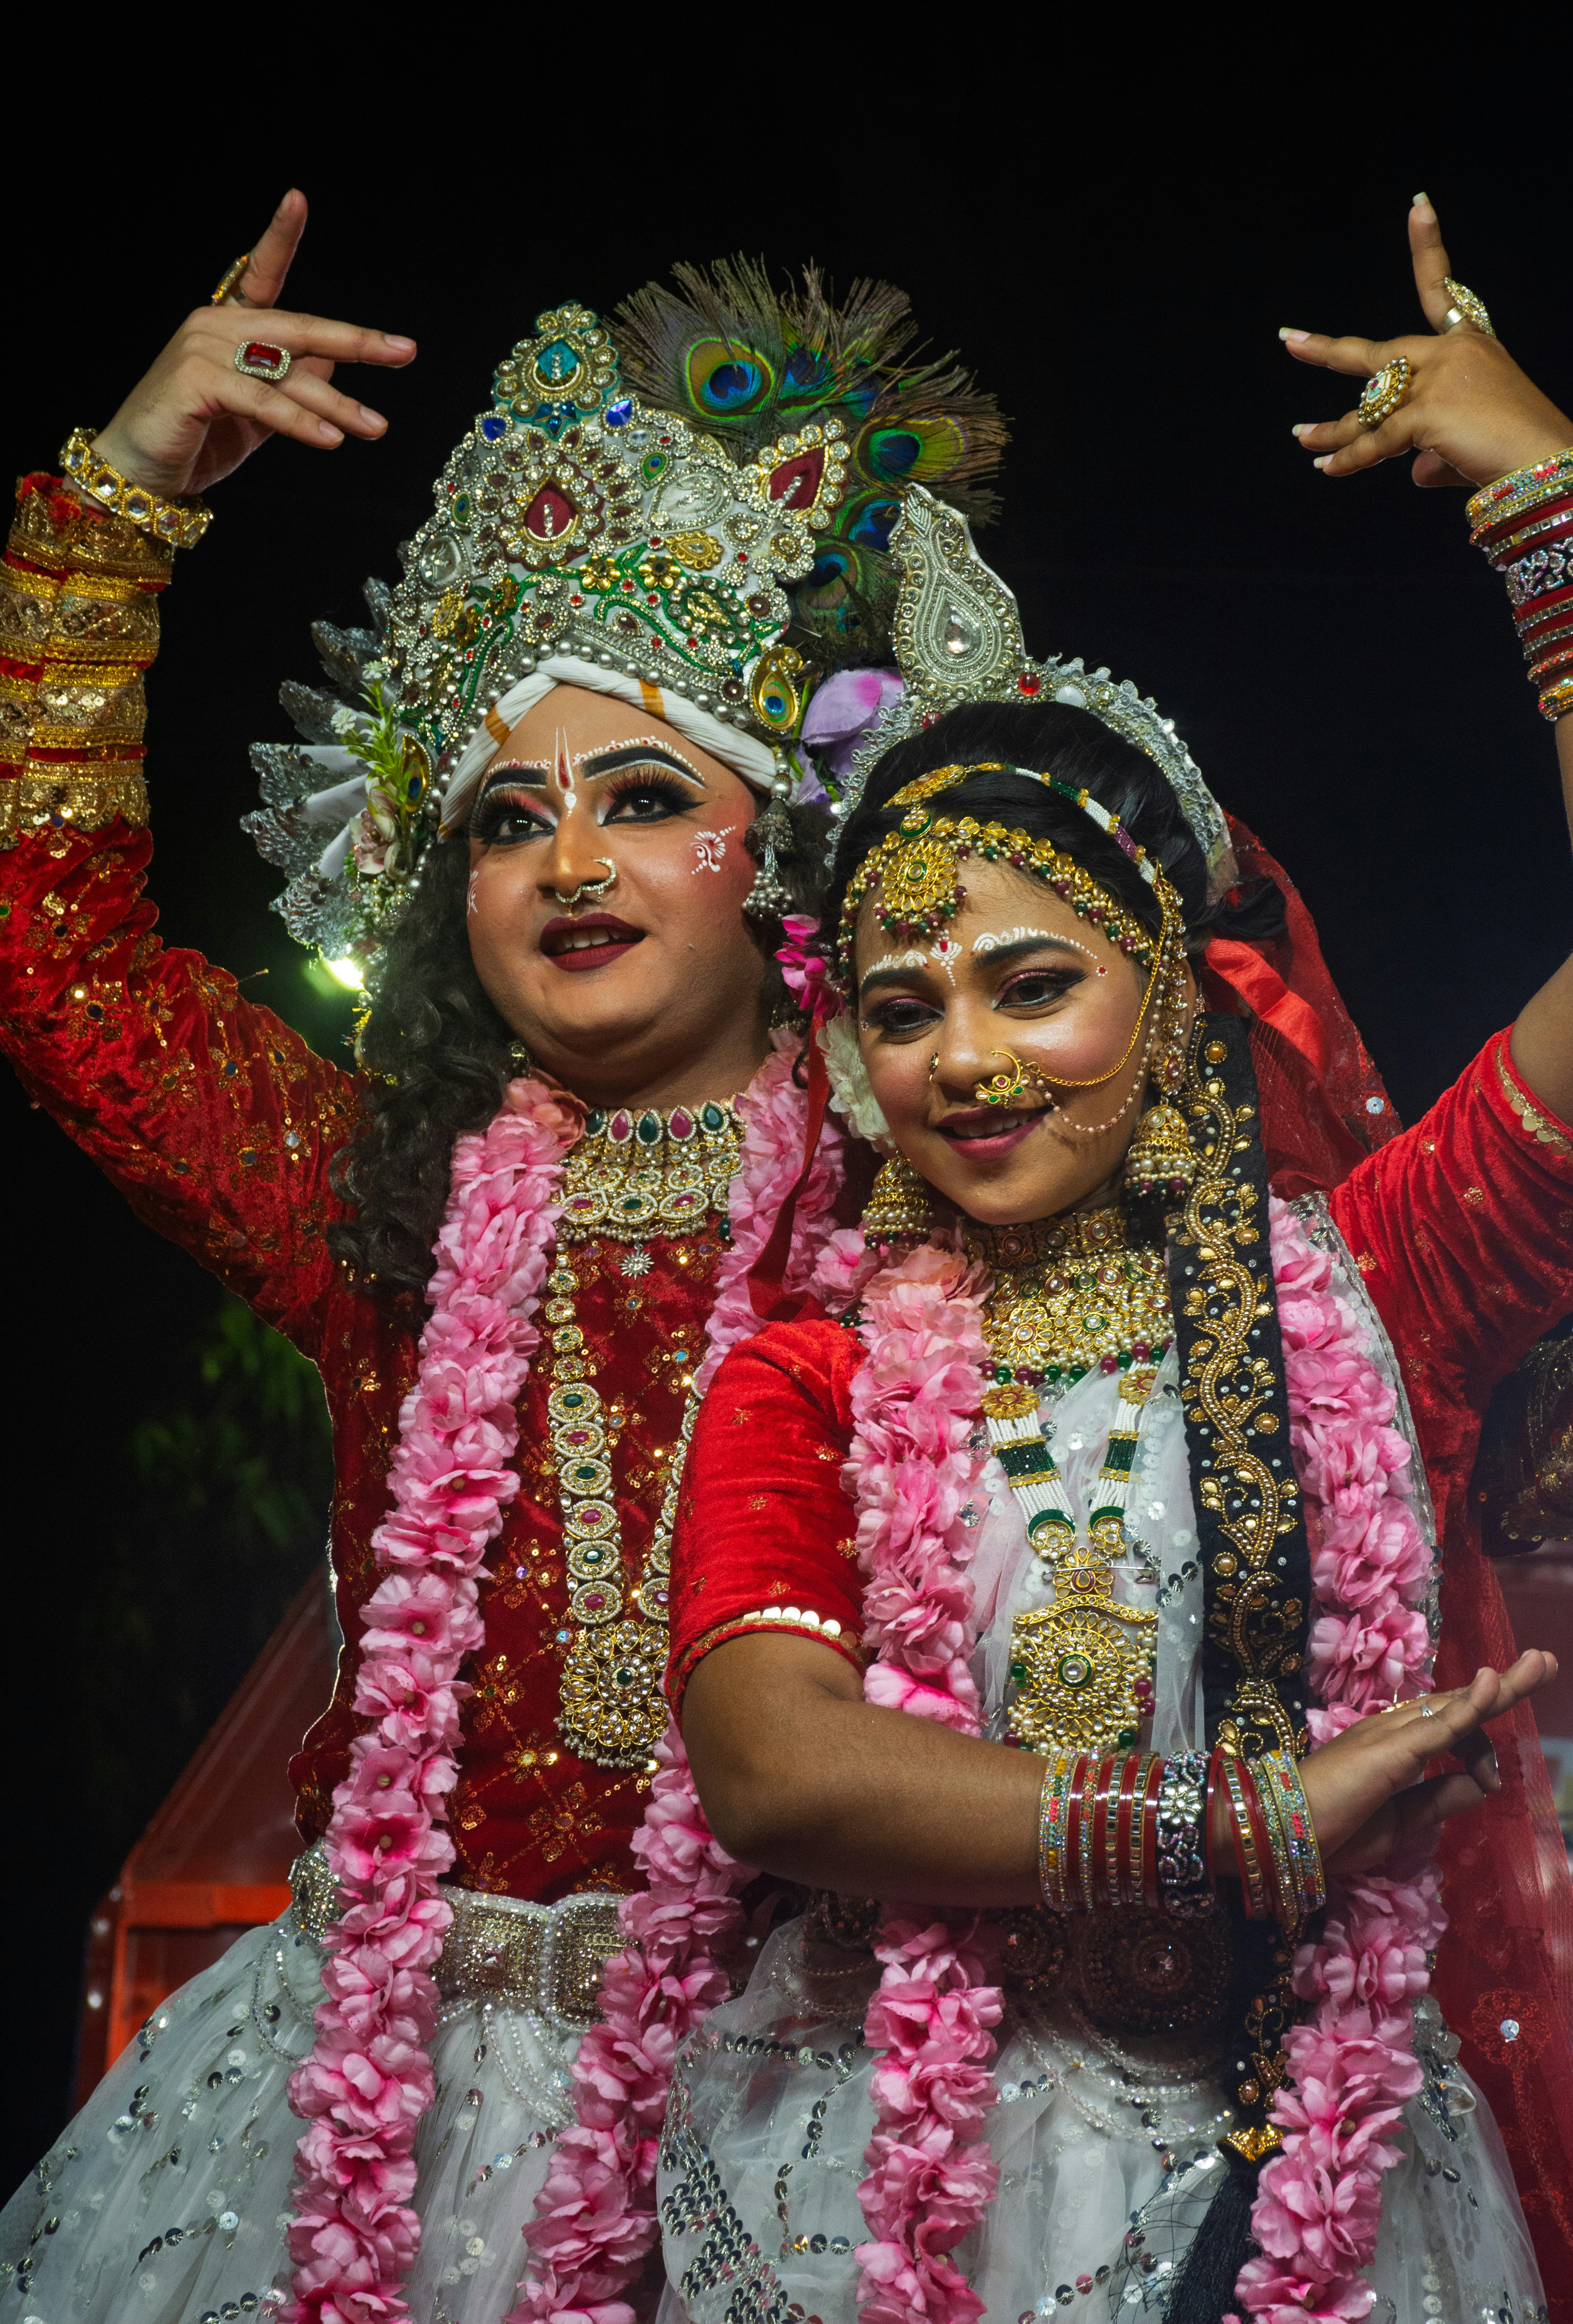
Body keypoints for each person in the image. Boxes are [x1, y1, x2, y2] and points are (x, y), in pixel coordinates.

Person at [0, 192, 1005, 2324]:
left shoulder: (936, 1174)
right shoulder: (380, 1196)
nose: (566, 858)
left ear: (781, 834)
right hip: (393, 2110)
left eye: (644, 792)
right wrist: (120, 510)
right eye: (502, 816)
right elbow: (61, 967)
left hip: (826, 2108)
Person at [636, 198, 1573, 2324]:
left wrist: (1546, 506)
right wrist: (1248, 1817)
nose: (964, 1055)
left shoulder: (1368, 1283)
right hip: (867, 2189)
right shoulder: (809, 1373)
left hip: (1313, 2174)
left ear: (1165, 992)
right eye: (902, 1002)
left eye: (1033, 982)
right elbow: (779, 1764)